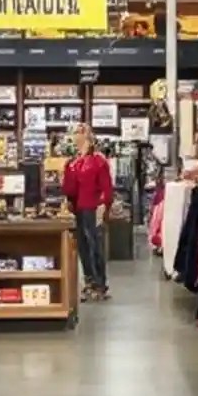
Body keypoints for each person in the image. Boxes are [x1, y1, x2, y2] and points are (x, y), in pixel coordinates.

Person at [62, 123, 113, 301]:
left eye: (77, 133)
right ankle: (89, 281)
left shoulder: (98, 161)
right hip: (79, 209)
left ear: (86, 136)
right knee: (84, 247)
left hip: (93, 208)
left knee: (95, 246)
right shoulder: (74, 162)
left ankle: (100, 284)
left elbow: (107, 187)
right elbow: (70, 189)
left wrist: (104, 206)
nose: (74, 136)